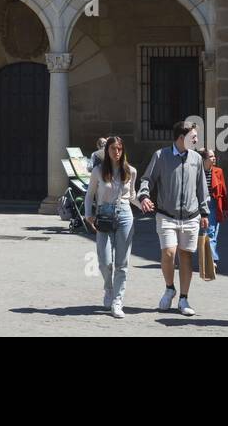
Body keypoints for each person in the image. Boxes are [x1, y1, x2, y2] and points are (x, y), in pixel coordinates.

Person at [136, 121, 209, 317]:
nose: (195, 140)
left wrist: (205, 212)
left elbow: (202, 187)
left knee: (185, 256)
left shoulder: (196, 158)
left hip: (191, 217)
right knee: (168, 254)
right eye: (193, 136)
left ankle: (184, 298)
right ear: (180, 137)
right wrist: (143, 196)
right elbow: (146, 180)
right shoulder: (161, 156)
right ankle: (170, 288)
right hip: (166, 215)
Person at [85, 135, 137, 318]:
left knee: (122, 263)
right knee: (105, 261)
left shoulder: (130, 171)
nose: (116, 152)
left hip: (125, 215)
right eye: (113, 148)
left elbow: (131, 196)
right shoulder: (98, 171)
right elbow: (89, 194)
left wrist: (143, 203)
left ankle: (117, 301)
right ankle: (108, 288)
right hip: (104, 215)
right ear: (107, 151)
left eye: (119, 149)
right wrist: (88, 215)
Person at [199, 147, 227, 264]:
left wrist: (225, 208)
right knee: (203, 232)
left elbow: (223, 190)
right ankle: (209, 259)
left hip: (214, 204)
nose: (214, 158)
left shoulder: (218, 171)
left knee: (211, 232)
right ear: (204, 159)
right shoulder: (197, 171)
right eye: (211, 156)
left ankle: (211, 259)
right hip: (199, 204)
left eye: (214, 156)